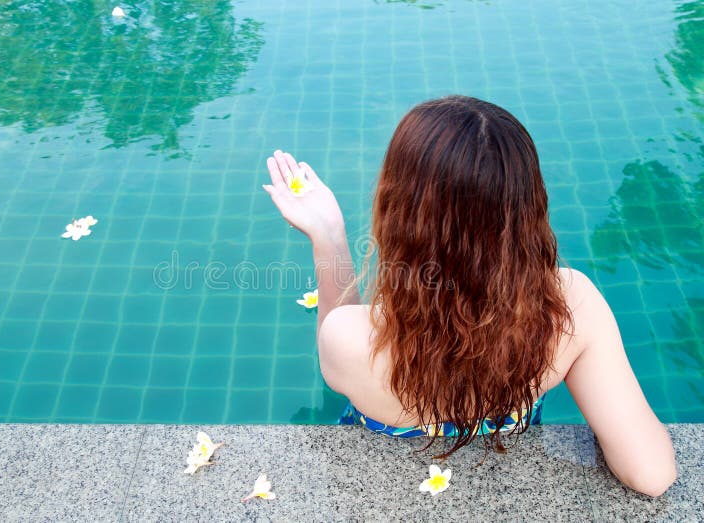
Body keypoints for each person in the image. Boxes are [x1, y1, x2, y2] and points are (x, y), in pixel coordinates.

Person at [261, 95, 676, 497]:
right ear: (528, 210)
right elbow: (652, 474)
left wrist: (330, 238)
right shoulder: (570, 308)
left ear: (399, 212)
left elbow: (334, 365)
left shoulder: (350, 341)